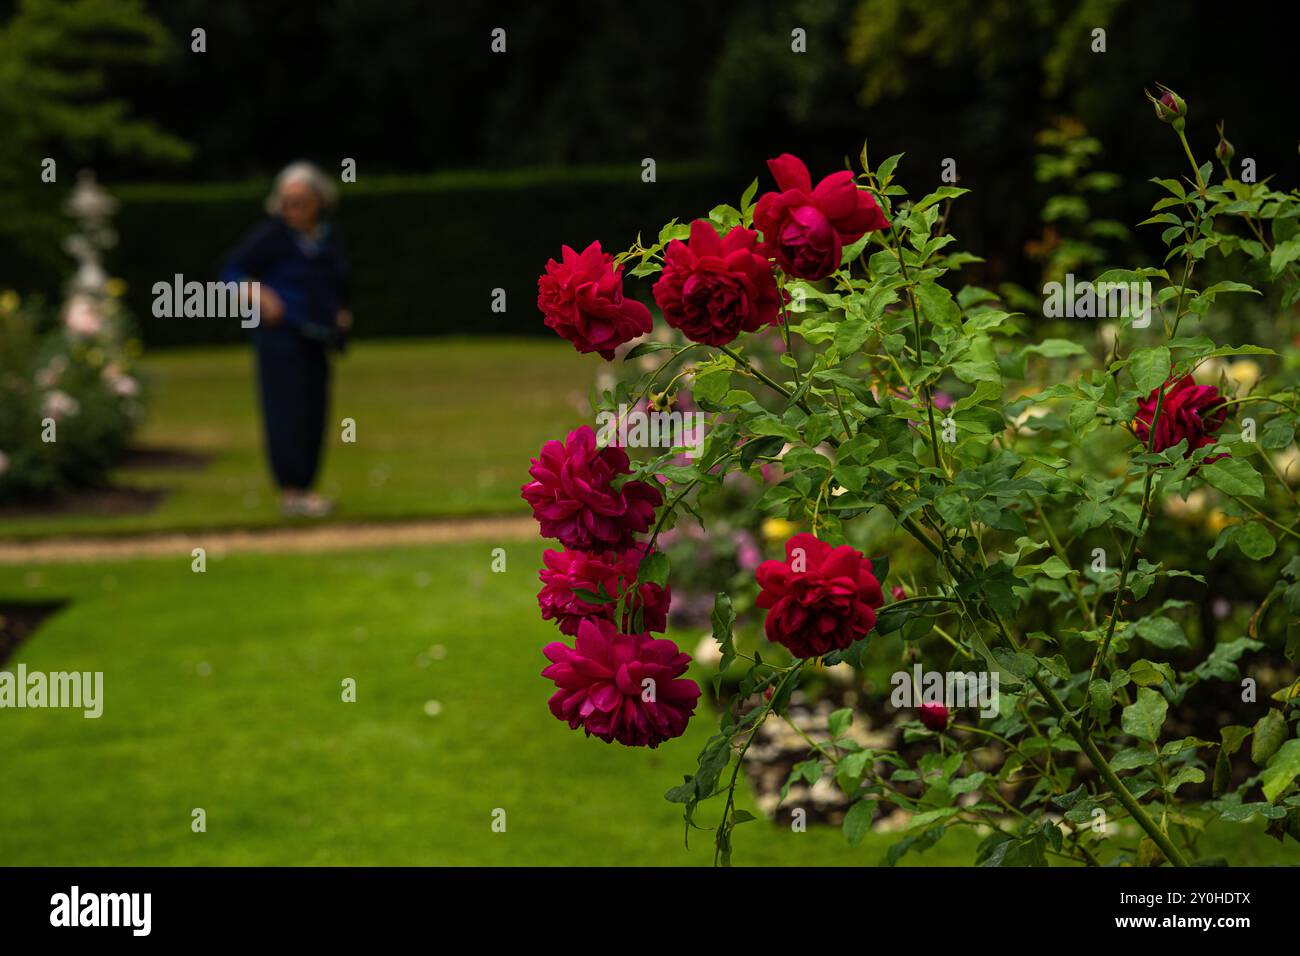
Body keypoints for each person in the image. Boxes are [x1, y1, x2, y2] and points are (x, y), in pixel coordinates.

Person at [221, 161, 351, 517]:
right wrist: (258, 294)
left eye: (301, 201)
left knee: (314, 412)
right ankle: (292, 490)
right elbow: (229, 273)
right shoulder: (271, 236)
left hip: (317, 337)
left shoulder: (326, 236)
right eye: (287, 202)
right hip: (280, 338)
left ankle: (306, 487)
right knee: (285, 411)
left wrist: (340, 310)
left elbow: (336, 281)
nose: (293, 209)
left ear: (318, 201)